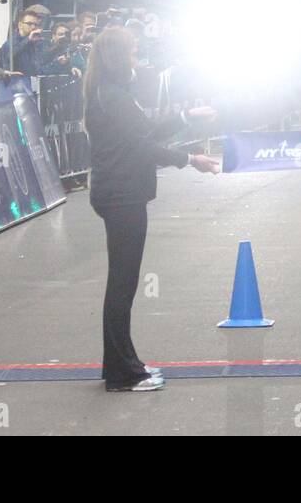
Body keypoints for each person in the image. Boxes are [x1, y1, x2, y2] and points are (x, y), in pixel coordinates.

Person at [84, 27, 221, 392]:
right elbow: (142, 147)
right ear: (118, 57)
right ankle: (122, 373)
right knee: (123, 283)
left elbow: (146, 133)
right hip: (121, 195)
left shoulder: (112, 95)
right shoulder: (113, 97)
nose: (137, 60)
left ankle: (120, 363)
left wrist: (186, 116)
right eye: (132, 53)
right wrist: (189, 159)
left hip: (119, 192)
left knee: (123, 281)